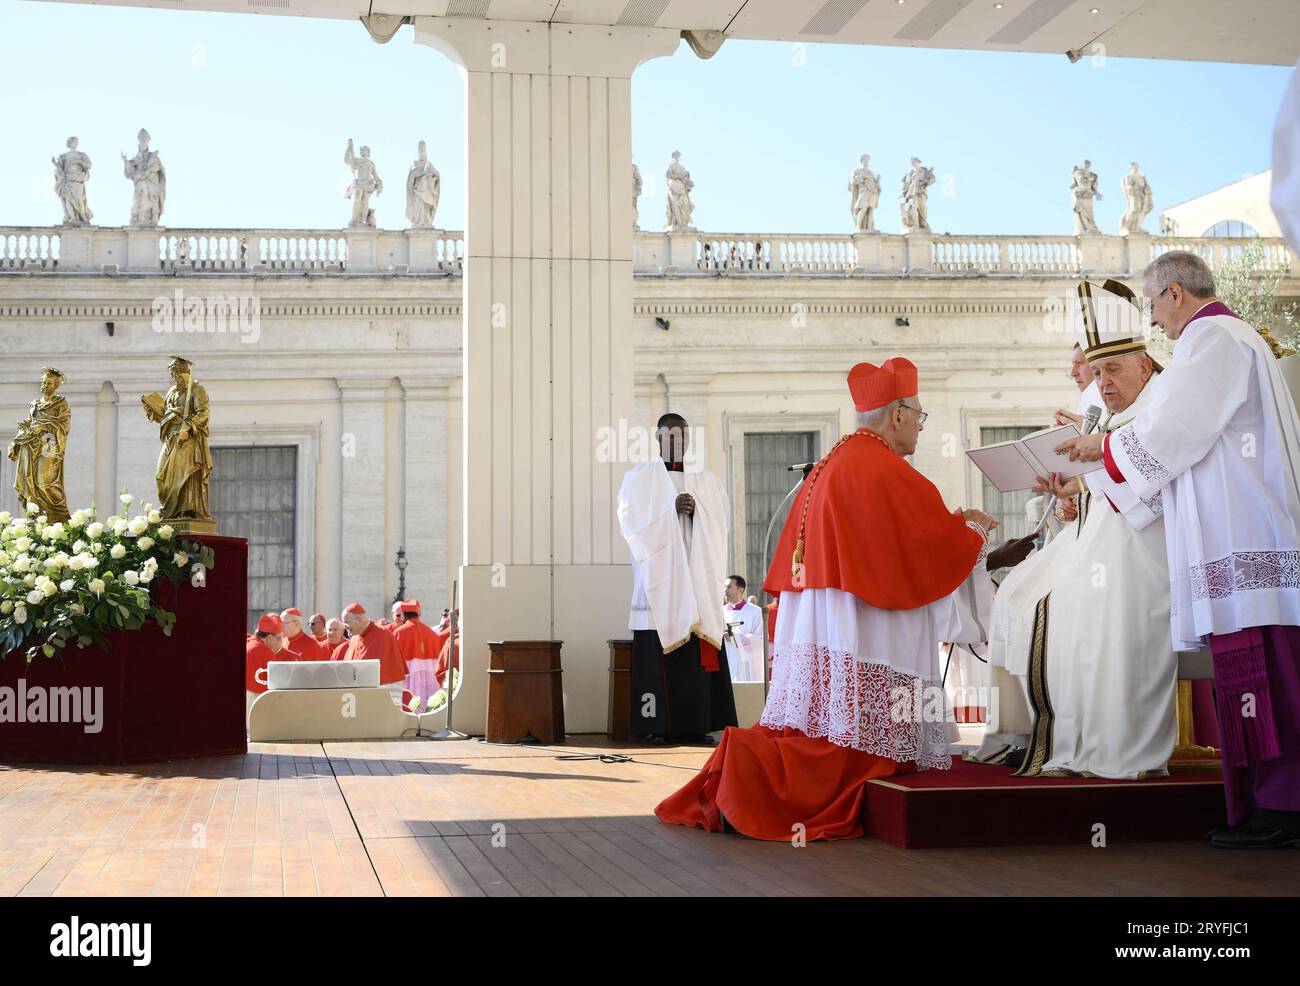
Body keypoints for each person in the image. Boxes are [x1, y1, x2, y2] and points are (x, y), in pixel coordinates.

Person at [657, 358, 1001, 840]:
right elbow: (927, 547)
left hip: (832, 619)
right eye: (919, 417)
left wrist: (953, 527)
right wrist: (973, 530)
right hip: (864, 623)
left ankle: (747, 769)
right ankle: (750, 775)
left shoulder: (834, 461)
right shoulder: (884, 468)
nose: (920, 429)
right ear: (897, 414)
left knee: (823, 727)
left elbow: (902, 538)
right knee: (852, 746)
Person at [1057, 251, 1300, 848]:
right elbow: (1173, 426)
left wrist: (1104, 452)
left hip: (1245, 537)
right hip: (1233, 536)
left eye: (1152, 305)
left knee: (1266, 677)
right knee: (1249, 676)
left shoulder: (1214, 337)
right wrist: (1106, 456)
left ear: (1173, 292)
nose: (1155, 321)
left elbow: (1176, 424)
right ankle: (1261, 808)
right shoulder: (1218, 338)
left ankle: (1283, 809)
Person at [1002, 279, 1180, 778]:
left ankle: (1128, 758)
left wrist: (1094, 466)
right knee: (1065, 617)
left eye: (1114, 369)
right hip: (1105, 548)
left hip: (1151, 556)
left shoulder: (1163, 407)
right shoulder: (1111, 416)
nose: (1102, 383)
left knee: (1111, 622)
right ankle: (1081, 749)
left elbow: (1154, 488)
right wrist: (1073, 491)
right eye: (1097, 371)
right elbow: (1108, 489)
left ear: (1145, 366)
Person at [617, 413, 738, 744]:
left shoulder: (706, 480)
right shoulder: (638, 479)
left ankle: (697, 727)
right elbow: (632, 525)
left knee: (695, 663)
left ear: (688, 439)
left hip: (697, 584)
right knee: (660, 662)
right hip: (661, 588)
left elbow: (720, 523)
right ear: (657, 438)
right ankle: (657, 726)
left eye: (681, 435)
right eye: (669, 435)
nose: (676, 441)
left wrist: (699, 512)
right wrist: (670, 510)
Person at [340, 602, 407, 704]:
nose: (345, 627)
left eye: (346, 622)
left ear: (358, 620)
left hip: (383, 697)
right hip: (359, 698)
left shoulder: (383, 635)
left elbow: (392, 675)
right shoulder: (354, 639)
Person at [393, 600, 444, 702]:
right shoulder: (432, 633)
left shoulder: (399, 632)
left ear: (403, 615)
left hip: (408, 681)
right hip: (430, 681)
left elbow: (393, 661)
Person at [721, 575, 765, 683]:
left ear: (740, 590)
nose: (725, 591)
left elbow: (761, 639)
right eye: (725, 587)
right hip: (725, 661)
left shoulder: (755, 611)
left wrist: (735, 636)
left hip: (746, 664)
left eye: (729, 587)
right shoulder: (720, 612)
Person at [245, 613, 284, 723]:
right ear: (269, 637)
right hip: (255, 700)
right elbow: (276, 682)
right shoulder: (265, 652)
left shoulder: (249, 644)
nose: (278, 642)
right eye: (277, 638)